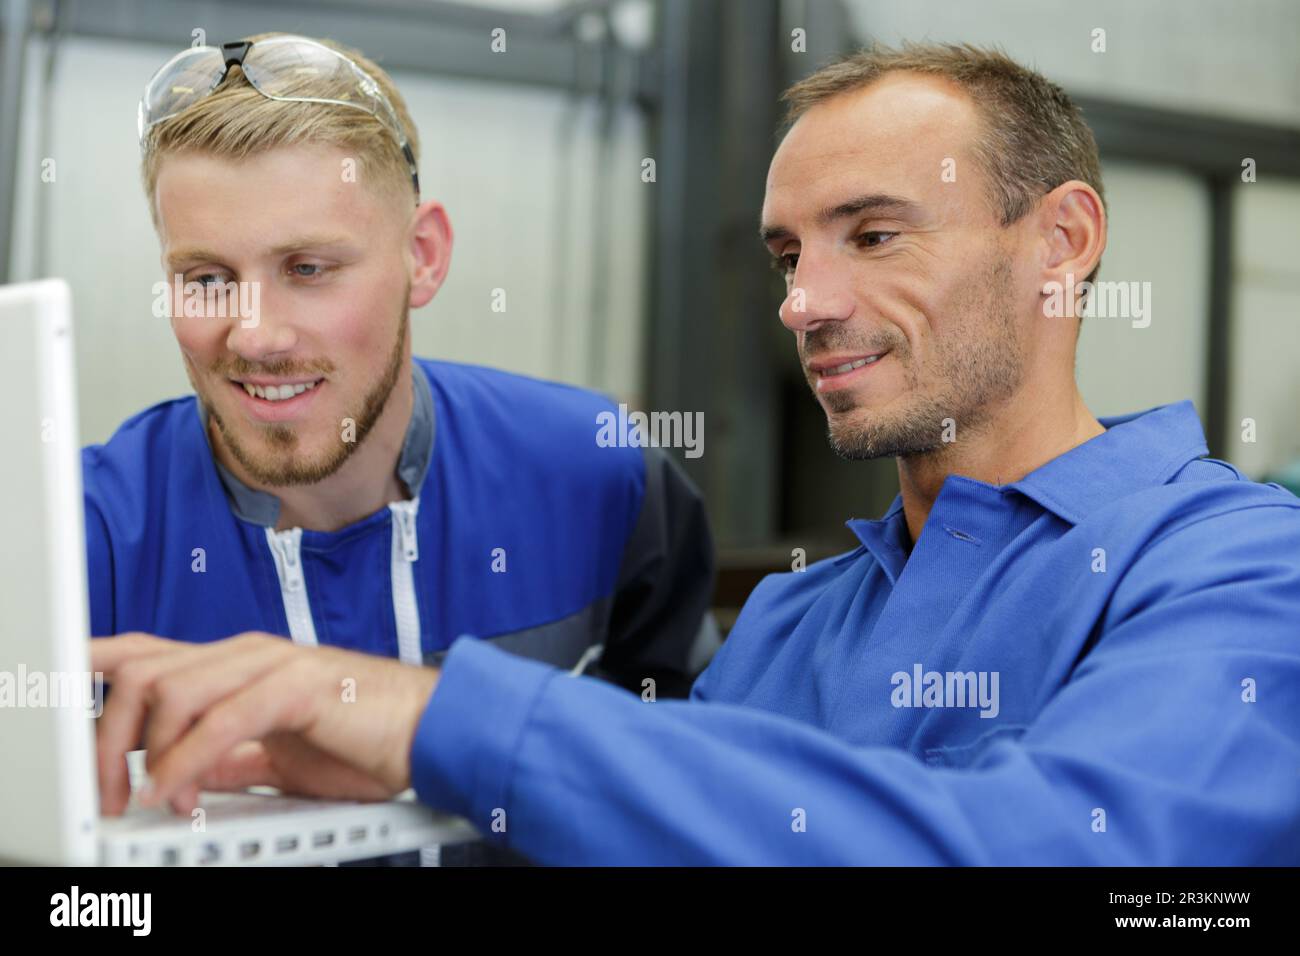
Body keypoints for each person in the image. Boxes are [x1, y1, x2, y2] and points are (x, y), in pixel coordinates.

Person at [94, 42, 1300, 865]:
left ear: (1063, 241)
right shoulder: (786, 628)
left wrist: (428, 718)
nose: (805, 302)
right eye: (787, 256)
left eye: (871, 234)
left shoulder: (1240, 571)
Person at [86, 33, 717, 863]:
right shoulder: (77, 537)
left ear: (422, 256)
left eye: (308, 268)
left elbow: (699, 779)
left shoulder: (598, 475)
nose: (256, 335)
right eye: (206, 278)